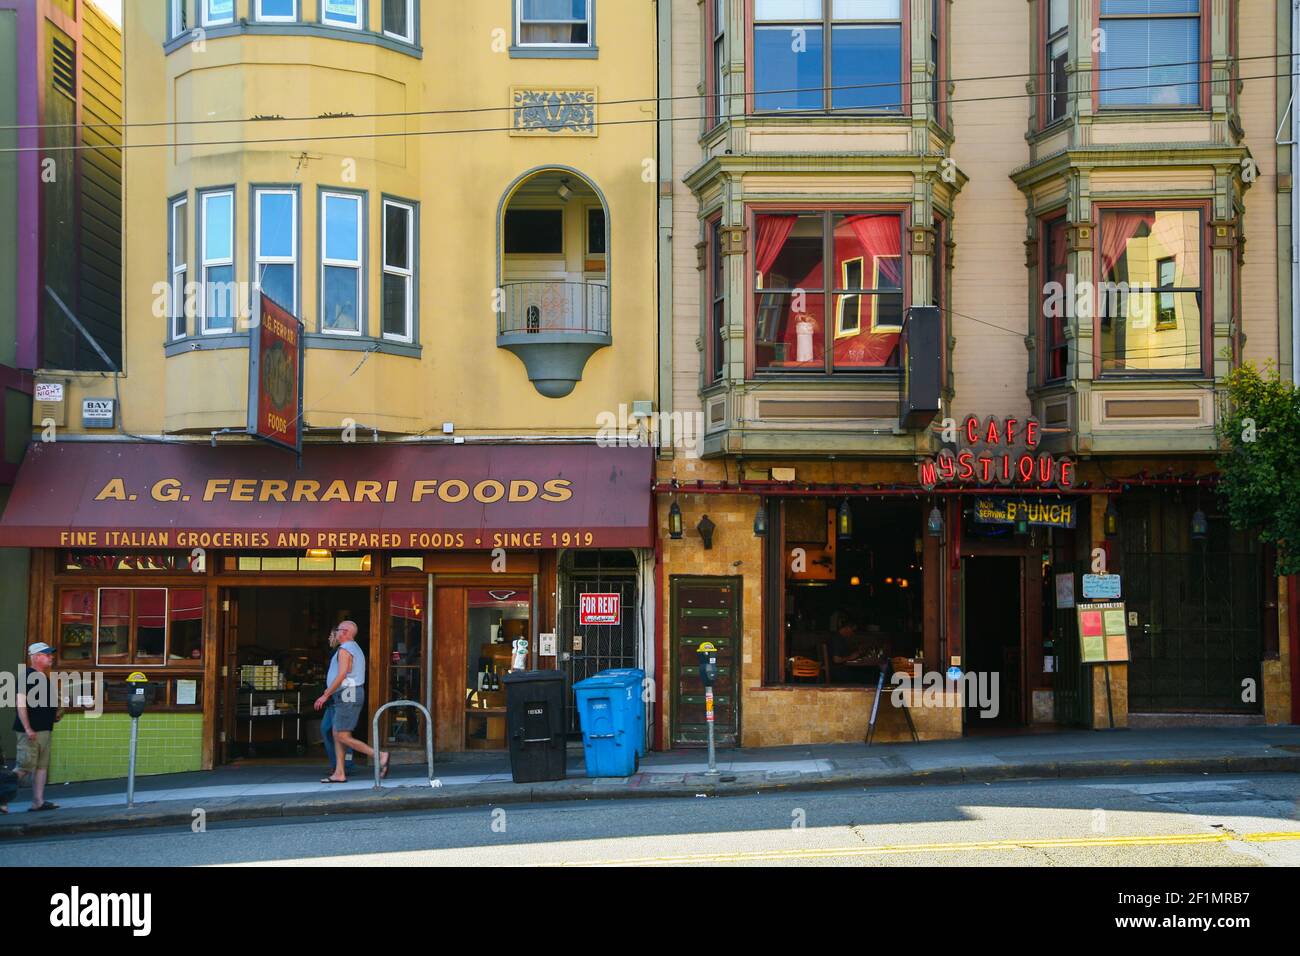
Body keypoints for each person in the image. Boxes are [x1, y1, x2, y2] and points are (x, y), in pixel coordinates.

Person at [313, 621, 387, 782]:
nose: (336, 633)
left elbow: (342, 675)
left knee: (342, 734)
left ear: (344, 632)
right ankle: (340, 772)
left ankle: (379, 755)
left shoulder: (345, 649)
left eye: (338, 630)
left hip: (348, 693)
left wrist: (326, 695)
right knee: (337, 733)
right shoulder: (354, 648)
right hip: (348, 692)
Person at [8, 642, 62, 812]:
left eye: (50, 654)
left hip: (44, 730)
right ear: (37, 657)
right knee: (24, 767)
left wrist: (54, 714)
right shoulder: (27, 676)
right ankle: (1, 798)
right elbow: (21, 704)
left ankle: (38, 801)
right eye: (47, 654)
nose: (51, 657)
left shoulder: (42, 677)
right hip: (32, 732)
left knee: (41, 767)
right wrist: (28, 728)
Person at [318, 628, 341, 776]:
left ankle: (345, 764)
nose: (328, 638)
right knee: (327, 730)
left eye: (331, 635)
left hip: (337, 697)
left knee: (339, 732)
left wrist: (328, 694)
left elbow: (342, 675)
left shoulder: (341, 653)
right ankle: (337, 763)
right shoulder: (334, 653)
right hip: (332, 698)